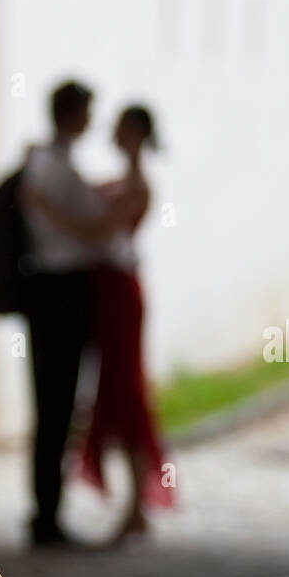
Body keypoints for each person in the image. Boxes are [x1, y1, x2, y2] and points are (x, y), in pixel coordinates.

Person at [25, 105, 172, 541]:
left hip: (120, 294)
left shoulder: (137, 185)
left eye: (121, 128)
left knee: (126, 393)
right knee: (115, 393)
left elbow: (93, 230)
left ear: (137, 135)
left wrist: (44, 205)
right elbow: (88, 195)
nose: (112, 132)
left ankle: (137, 506)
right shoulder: (124, 181)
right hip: (109, 293)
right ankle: (135, 507)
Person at [19, 80, 104, 546]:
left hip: (49, 292)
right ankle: (46, 515)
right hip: (62, 293)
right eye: (88, 111)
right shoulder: (59, 167)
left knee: (52, 404)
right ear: (74, 114)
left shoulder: (44, 161)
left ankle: (46, 509)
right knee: (56, 404)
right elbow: (91, 226)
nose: (92, 120)